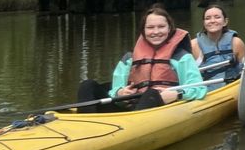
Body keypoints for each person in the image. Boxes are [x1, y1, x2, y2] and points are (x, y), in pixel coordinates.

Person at [77, 6, 206, 111]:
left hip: (160, 108)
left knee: (151, 93)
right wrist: (119, 93)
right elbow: (114, 91)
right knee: (87, 85)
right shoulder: (129, 59)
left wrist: (177, 94)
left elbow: (199, 89)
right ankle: (84, 124)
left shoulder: (182, 58)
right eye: (150, 27)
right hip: (129, 108)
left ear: (169, 29)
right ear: (143, 31)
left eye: (161, 27)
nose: (156, 31)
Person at [191, 4, 245, 87]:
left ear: (225, 22)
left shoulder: (236, 43)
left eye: (217, 17)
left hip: (233, 88)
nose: (212, 21)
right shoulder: (193, 45)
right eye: (207, 18)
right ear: (204, 23)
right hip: (208, 93)